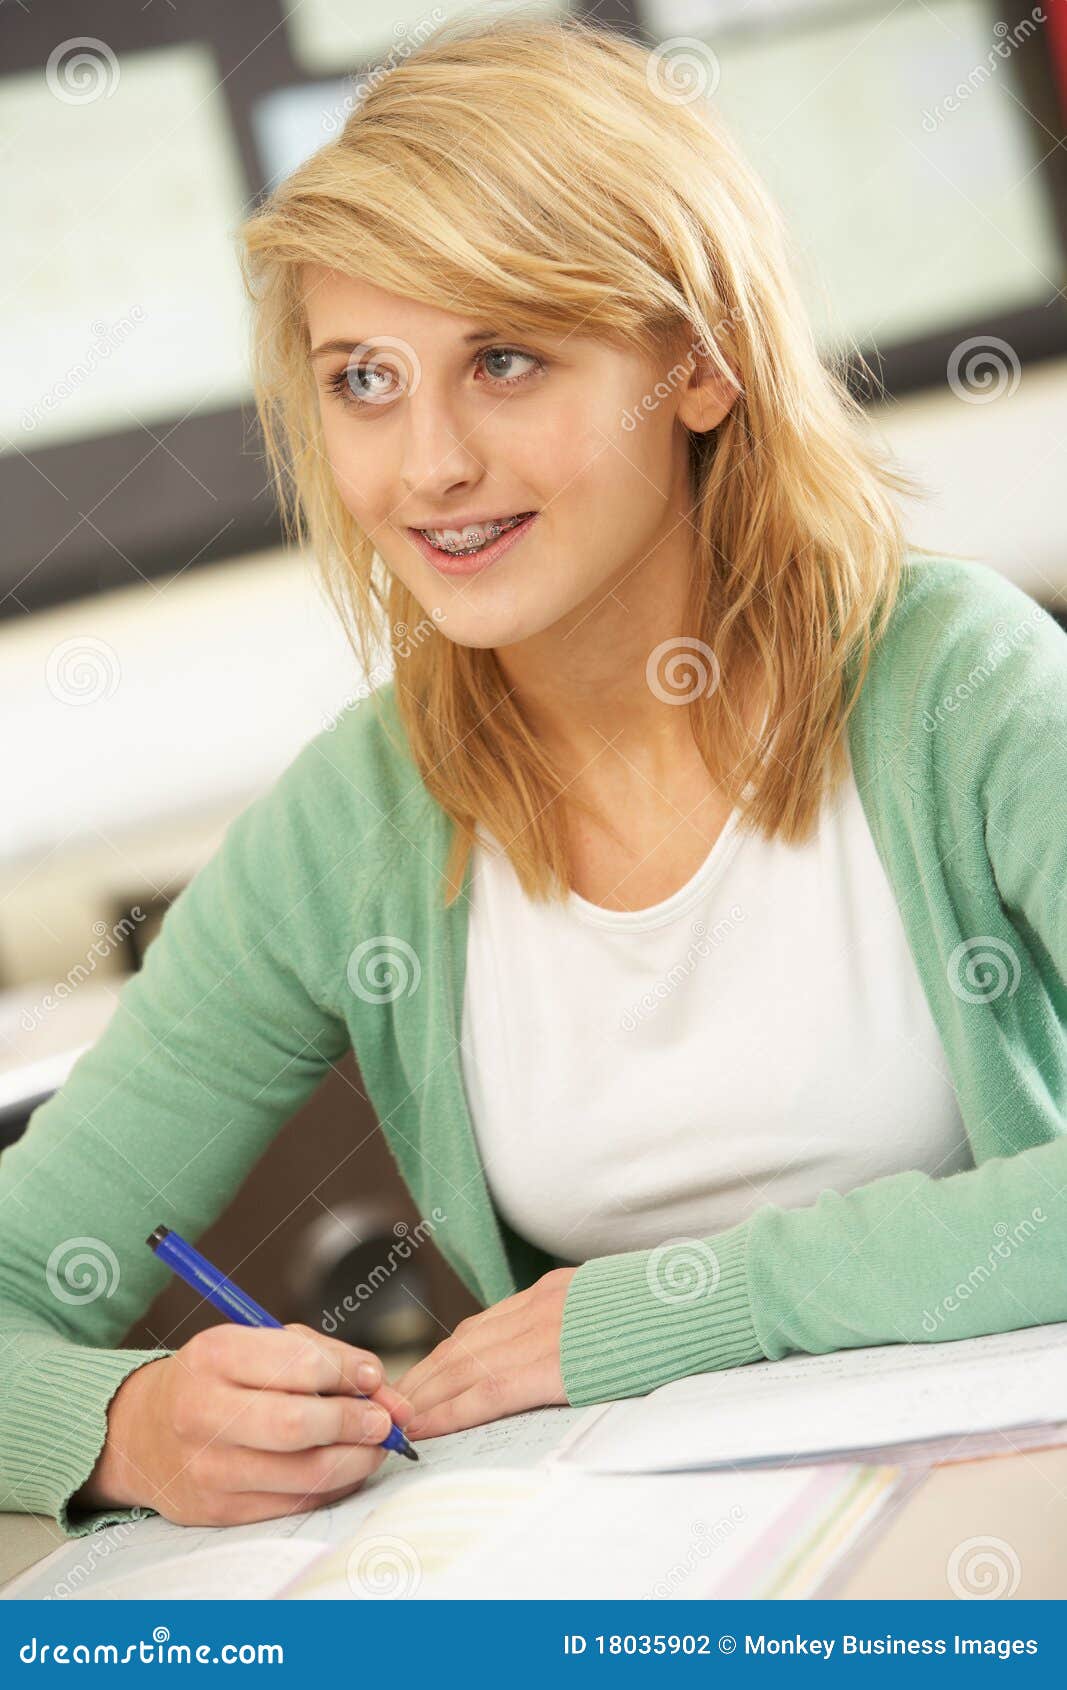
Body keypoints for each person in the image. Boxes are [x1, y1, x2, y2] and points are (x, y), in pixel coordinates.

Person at [1, 12, 1064, 1542]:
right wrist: (118, 1422)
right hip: (649, 1573)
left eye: (505, 360)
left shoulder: (956, 682)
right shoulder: (358, 817)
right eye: (364, 379)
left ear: (699, 367)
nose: (425, 464)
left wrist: (667, 1309)